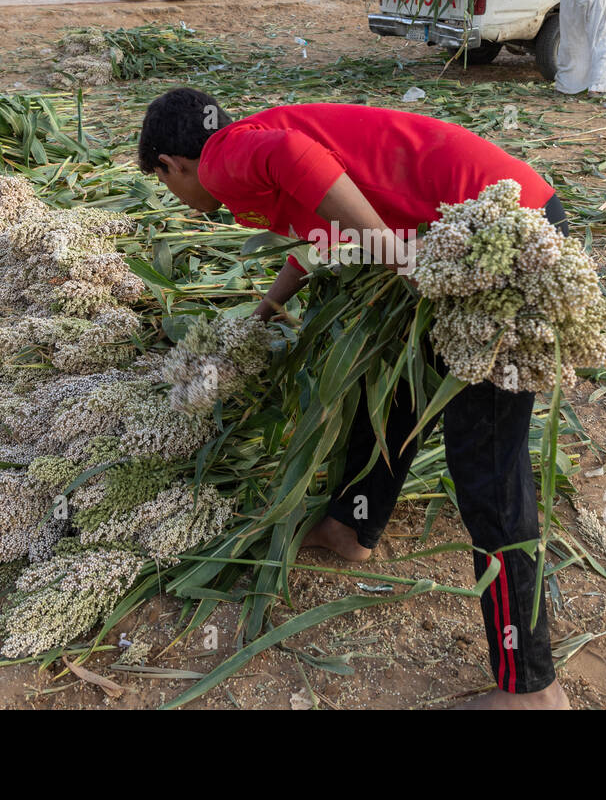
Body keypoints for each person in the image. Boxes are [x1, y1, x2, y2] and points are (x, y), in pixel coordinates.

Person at [138, 87, 571, 709]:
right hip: (471, 228)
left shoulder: (219, 159)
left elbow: (297, 159)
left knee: (487, 465)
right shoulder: (247, 147)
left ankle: (533, 692)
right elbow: (320, 230)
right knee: (394, 392)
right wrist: (265, 314)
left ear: (170, 165)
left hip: (500, 238)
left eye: (167, 185)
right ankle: (352, 525)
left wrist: (396, 258)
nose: (181, 194)